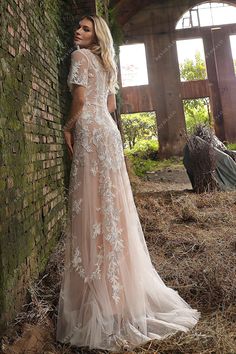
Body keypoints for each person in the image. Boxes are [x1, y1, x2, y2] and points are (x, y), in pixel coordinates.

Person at [56, 14, 200, 352]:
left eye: (85, 29)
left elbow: (79, 99)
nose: (78, 31)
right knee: (112, 208)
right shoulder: (107, 63)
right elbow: (109, 104)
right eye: (77, 27)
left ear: (96, 36)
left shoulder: (79, 57)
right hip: (108, 132)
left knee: (91, 205)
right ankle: (117, 291)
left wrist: (67, 126)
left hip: (91, 133)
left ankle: (98, 294)